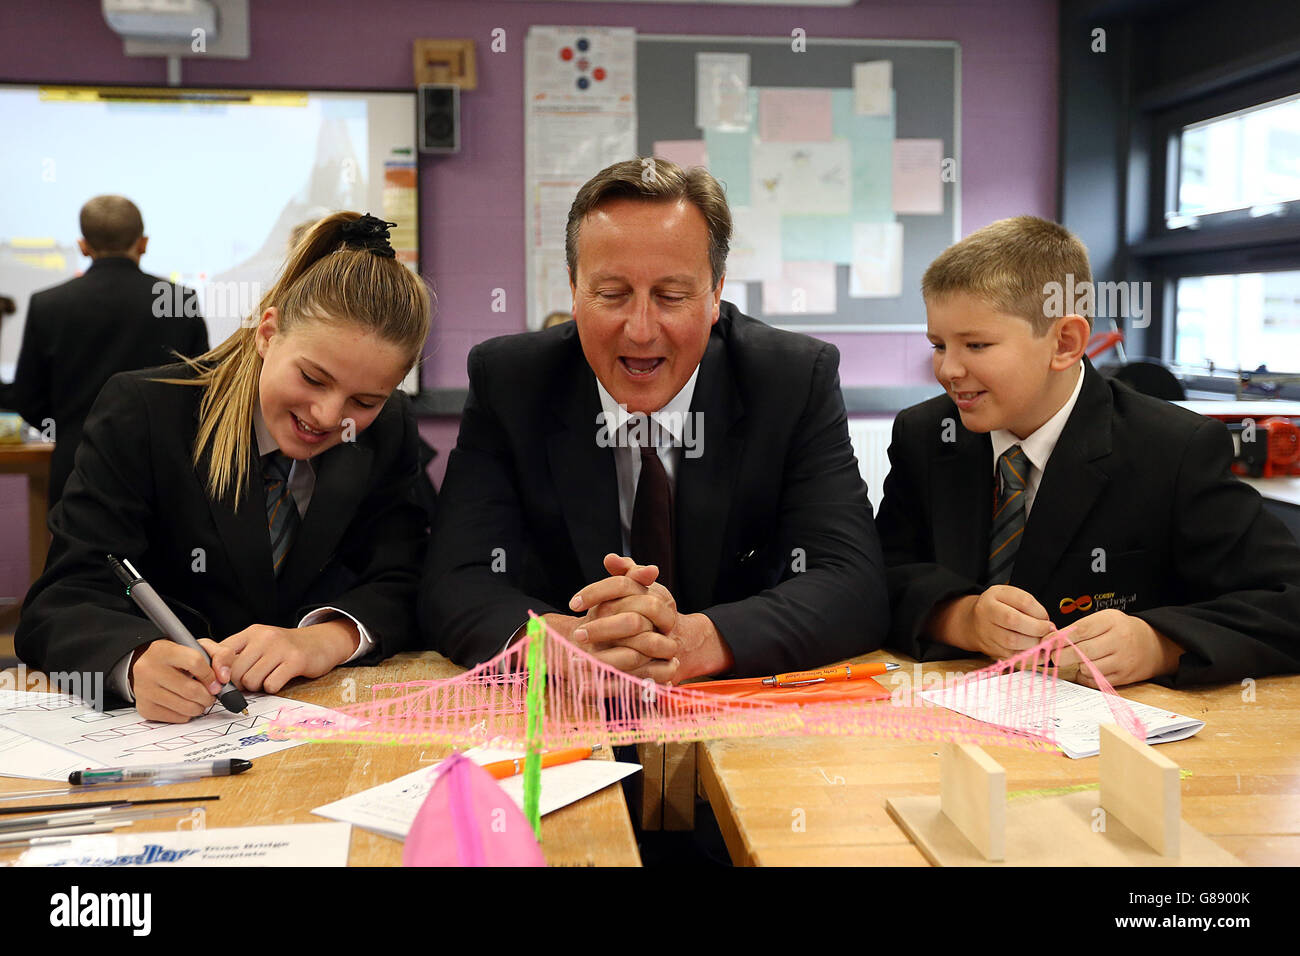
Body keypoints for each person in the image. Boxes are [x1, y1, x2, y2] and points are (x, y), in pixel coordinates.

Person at [422, 158, 887, 681]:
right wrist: (562, 645)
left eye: (671, 296)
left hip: (734, 706)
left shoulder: (791, 380)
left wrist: (698, 642)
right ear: (573, 291)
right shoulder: (511, 381)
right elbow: (455, 580)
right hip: (572, 713)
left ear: (715, 295)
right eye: (612, 294)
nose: (641, 331)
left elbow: (853, 583)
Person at [16, 212, 432, 722]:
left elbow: (409, 575)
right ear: (268, 332)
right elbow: (60, 601)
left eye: (365, 401)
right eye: (312, 377)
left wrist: (328, 638)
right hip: (175, 737)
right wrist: (135, 660)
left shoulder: (388, 429)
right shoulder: (145, 413)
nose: (328, 417)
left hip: (314, 725)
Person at [875, 215, 1300, 687]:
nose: (948, 369)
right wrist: (960, 617)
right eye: (938, 345)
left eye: (976, 344)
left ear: (1065, 343)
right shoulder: (927, 434)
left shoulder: (1173, 448)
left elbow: (1286, 599)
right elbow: (878, 575)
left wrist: (1159, 643)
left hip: (1118, 739)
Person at [1, 196, 209, 505]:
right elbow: (201, 386)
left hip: (76, 466)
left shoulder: (48, 304)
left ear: (83, 246)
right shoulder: (179, 300)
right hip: (163, 471)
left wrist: (70, 428)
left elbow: (27, 398)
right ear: (144, 243)